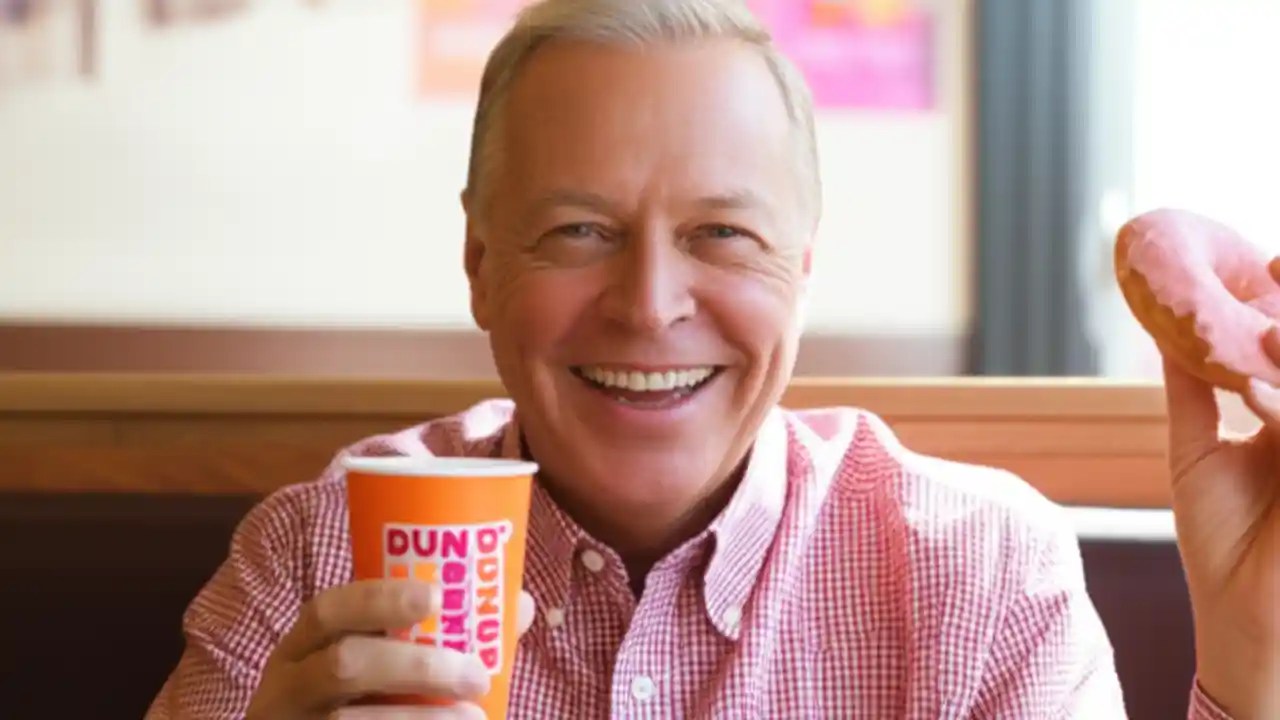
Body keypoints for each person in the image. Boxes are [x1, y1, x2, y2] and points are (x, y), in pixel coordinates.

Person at [146, 0, 1278, 717]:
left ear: (801, 267)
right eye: (577, 231)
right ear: (480, 265)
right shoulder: (319, 556)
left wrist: (1250, 665)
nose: (648, 306)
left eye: (722, 234)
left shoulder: (976, 576)